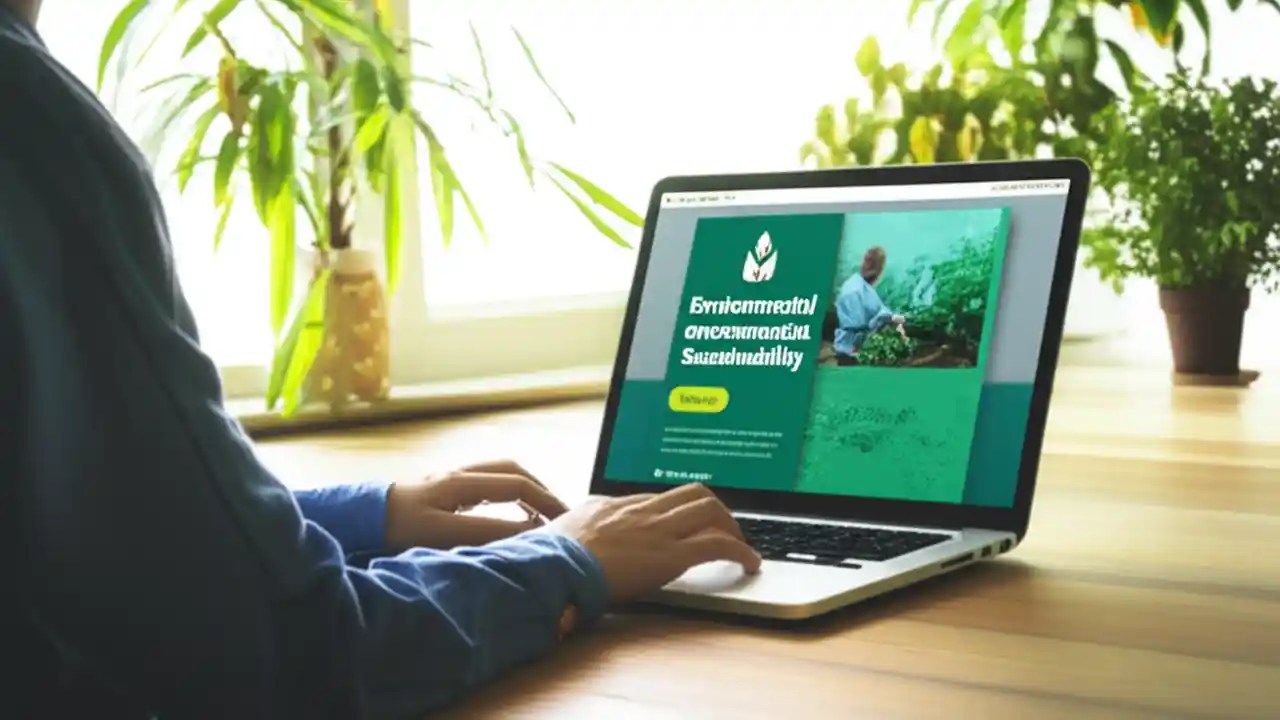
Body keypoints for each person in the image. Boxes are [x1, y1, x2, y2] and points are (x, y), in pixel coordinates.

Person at [0, 2, 761, 717]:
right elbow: (294, 650)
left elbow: (124, 541)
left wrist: (375, 515)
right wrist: (564, 559)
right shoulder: (29, 125)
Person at [833, 246, 907, 366]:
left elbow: (878, 310)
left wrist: (894, 319)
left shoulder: (862, 286)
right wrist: (889, 319)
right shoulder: (854, 291)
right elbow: (858, 324)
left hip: (854, 350)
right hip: (850, 351)